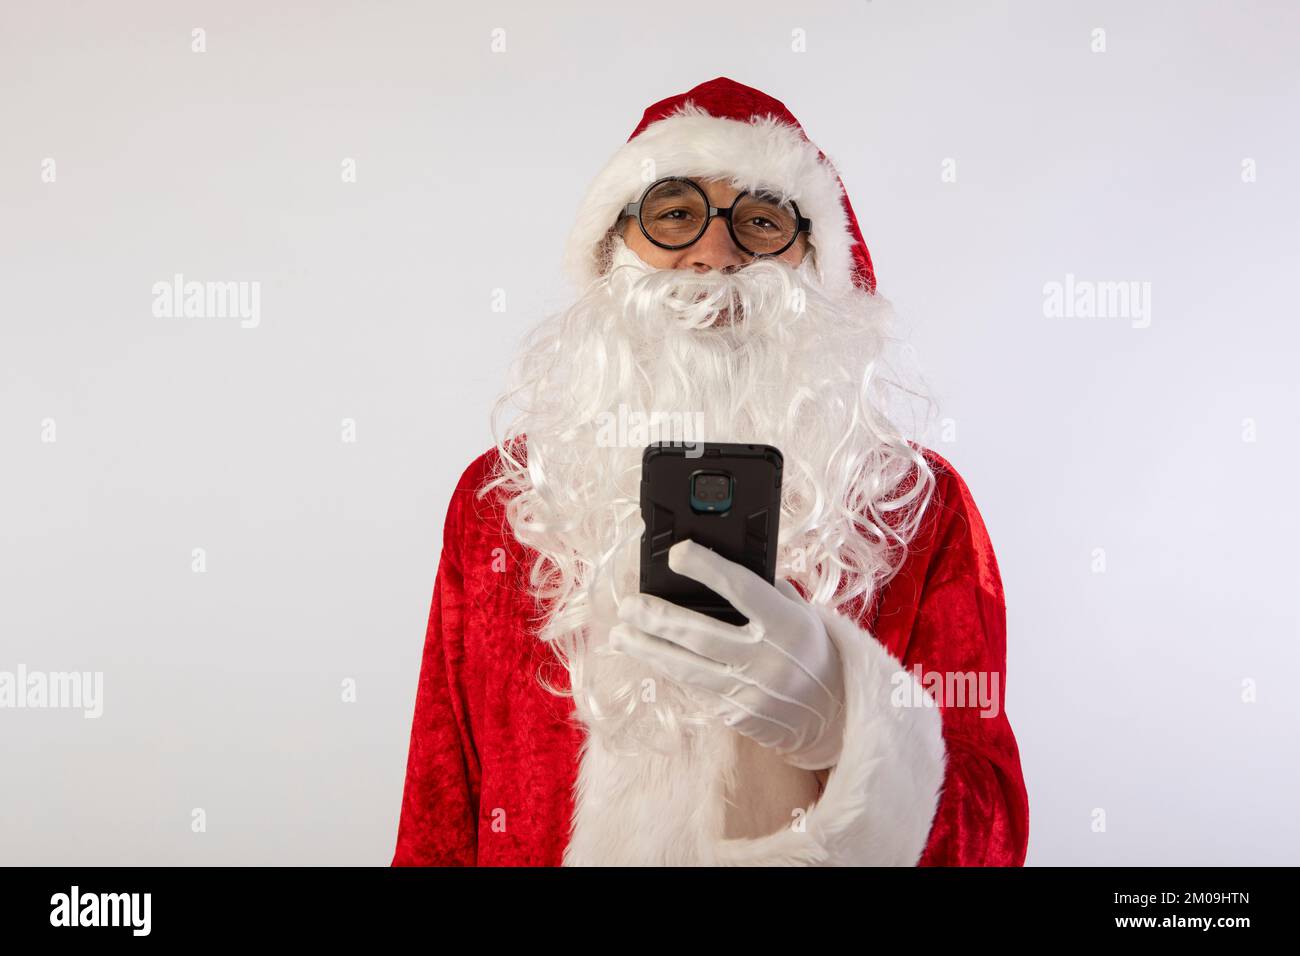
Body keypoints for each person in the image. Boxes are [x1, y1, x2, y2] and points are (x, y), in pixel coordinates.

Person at [391, 77, 1029, 866]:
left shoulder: (913, 506)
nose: (714, 256)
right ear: (612, 252)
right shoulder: (506, 500)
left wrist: (846, 723)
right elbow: (440, 806)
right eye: (673, 213)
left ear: (818, 264)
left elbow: (990, 835)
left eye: (761, 221)